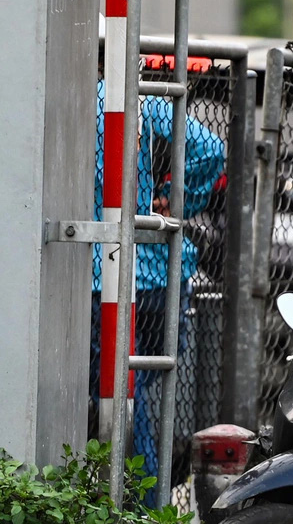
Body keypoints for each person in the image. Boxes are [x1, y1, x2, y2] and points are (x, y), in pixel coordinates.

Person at [92, 62, 227, 487]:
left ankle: (137, 493)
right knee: (130, 391)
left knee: (112, 394)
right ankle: (145, 493)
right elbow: (210, 151)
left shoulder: (73, 101)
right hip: (150, 272)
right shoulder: (139, 102)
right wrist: (172, 199)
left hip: (97, 274)